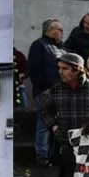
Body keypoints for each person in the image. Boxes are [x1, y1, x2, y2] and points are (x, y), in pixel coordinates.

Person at [29, 18, 65, 165]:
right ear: (49, 30)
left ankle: (53, 154)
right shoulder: (39, 46)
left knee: (57, 123)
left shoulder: (62, 48)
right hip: (45, 91)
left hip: (61, 91)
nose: (62, 33)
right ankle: (42, 155)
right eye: (59, 29)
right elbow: (34, 70)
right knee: (44, 124)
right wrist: (45, 87)